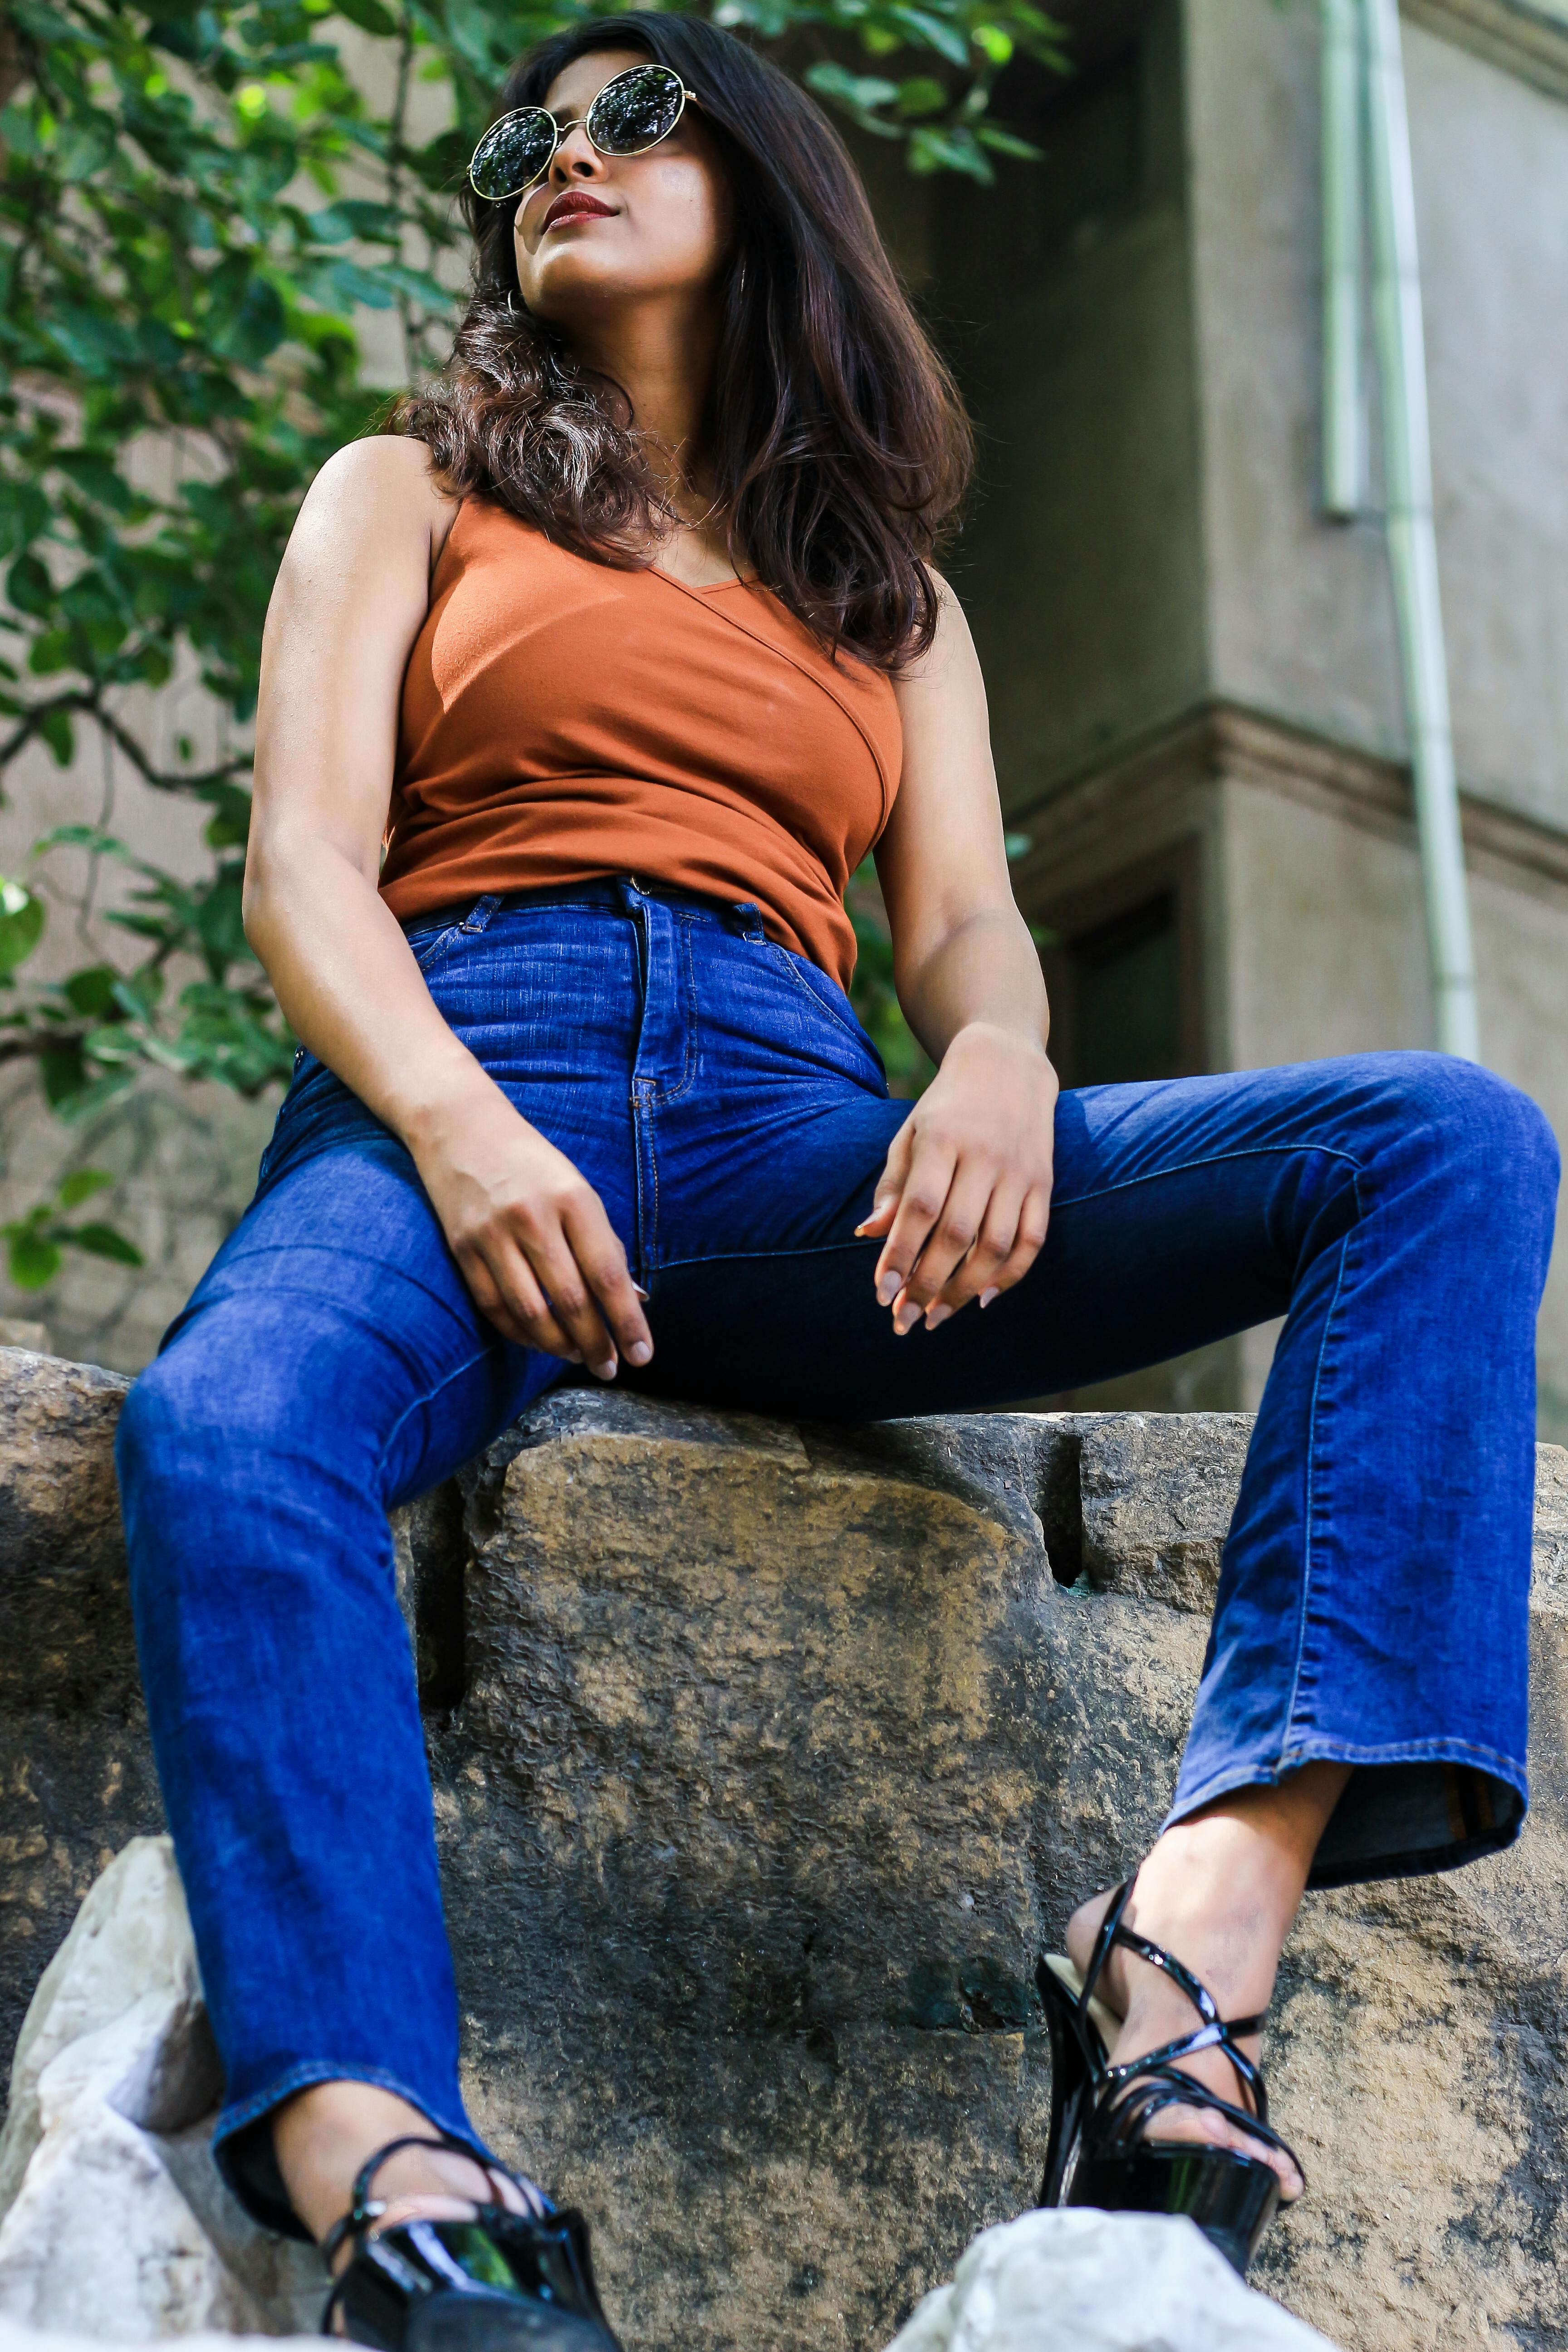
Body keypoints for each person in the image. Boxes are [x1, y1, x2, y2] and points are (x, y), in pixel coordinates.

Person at [113, 12, 1558, 2345]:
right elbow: (302, 868)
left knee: (1441, 1142)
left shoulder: (883, 589)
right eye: (525, 139)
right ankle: (378, 2147)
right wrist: (463, 1132)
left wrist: (996, 1062)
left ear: (767, 178)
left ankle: (1195, 1932)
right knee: (226, 1425)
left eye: (630, 117)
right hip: (455, 1081)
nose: (560, 159)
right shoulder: (404, 493)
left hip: (810, 1142)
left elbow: (968, 924)